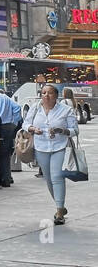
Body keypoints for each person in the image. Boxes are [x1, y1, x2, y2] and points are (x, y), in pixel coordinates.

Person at [24, 83, 78, 226]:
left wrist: (62, 130)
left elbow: (75, 130)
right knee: (48, 179)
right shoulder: (35, 108)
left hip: (59, 146)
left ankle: (59, 211)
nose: (46, 96)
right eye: (43, 93)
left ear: (56, 96)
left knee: (57, 177)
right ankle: (60, 205)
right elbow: (25, 123)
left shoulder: (66, 110)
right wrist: (33, 129)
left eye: (50, 93)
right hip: (41, 147)